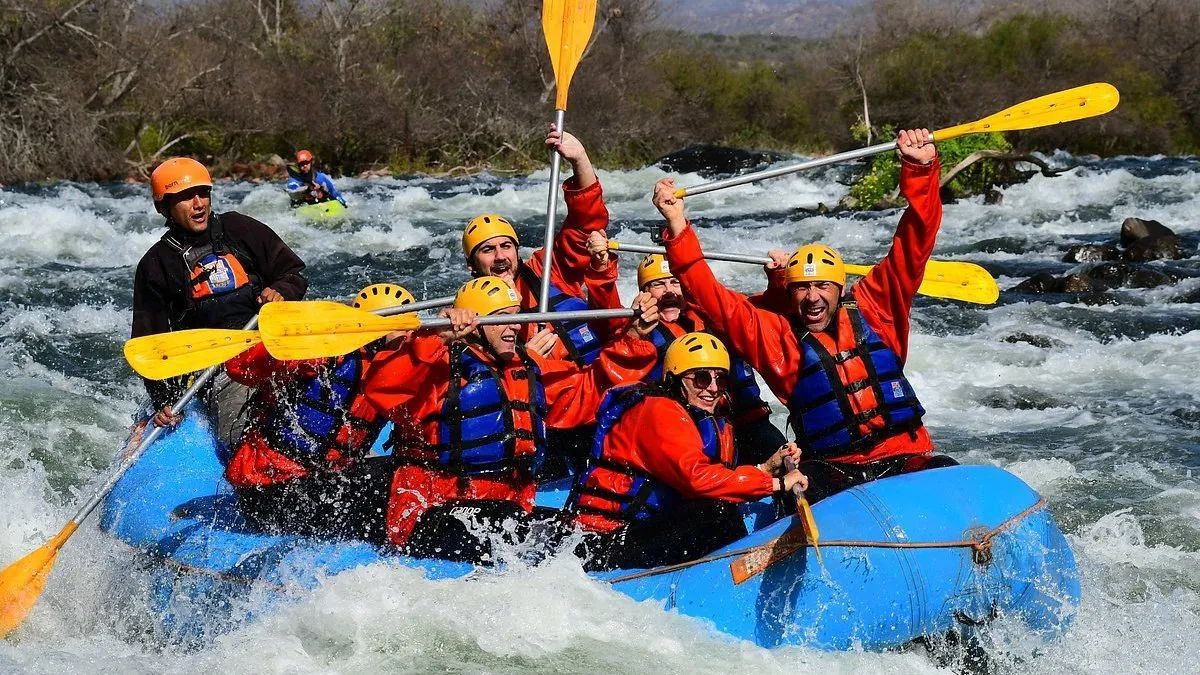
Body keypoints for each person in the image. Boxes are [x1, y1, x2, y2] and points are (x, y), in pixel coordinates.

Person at [651, 129, 958, 504]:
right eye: (801, 288)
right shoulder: (775, 337)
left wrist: (921, 170)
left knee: (947, 469)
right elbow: (711, 298)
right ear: (789, 291)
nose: (813, 298)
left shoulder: (877, 307)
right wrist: (677, 225)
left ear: (840, 288)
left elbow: (915, 241)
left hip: (906, 456)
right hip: (834, 469)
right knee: (802, 492)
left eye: (823, 286)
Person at [361, 276, 662, 562]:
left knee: (571, 531)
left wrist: (633, 338)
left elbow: (589, 390)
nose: (515, 327)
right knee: (510, 523)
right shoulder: (436, 370)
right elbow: (380, 387)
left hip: (508, 507)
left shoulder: (525, 369)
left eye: (517, 317)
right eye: (502, 318)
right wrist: (434, 338)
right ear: (475, 326)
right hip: (428, 512)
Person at [566, 333, 807, 570]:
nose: (713, 388)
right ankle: (734, 576)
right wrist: (775, 484)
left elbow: (714, 475)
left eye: (721, 379)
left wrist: (764, 469)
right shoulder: (658, 411)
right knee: (716, 512)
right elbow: (697, 478)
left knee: (719, 506)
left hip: (639, 527)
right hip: (602, 541)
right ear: (675, 380)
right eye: (702, 378)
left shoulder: (695, 414)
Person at [132, 157, 307, 445]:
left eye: (203, 193)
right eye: (186, 197)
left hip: (272, 343)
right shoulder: (156, 264)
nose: (198, 204)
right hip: (219, 369)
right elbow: (150, 344)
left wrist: (281, 290)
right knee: (239, 435)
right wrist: (164, 400)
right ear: (164, 206)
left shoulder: (240, 229)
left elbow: (293, 273)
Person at [223, 283, 415, 542]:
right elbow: (238, 367)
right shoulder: (324, 356)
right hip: (269, 487)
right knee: (381, 478)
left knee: (402, 472)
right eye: (404, 328)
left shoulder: (397, 369)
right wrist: (290, 335)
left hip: (322, 482)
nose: (411, 336)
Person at [588, 249, 788, 465]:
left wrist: (778, 277)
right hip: (688, 430)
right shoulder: (638, 332)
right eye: (658, 284)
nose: (669, 291)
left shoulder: (714, 316)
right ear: (644, 293)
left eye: (675, 282)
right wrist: (601, 268)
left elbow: (764, 314)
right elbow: (606, 315)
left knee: (786, 461)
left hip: (744, 424)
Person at [461, 126, 615, 367]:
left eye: (506, 246)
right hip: (543, 386)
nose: (500, 256)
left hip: (596, 372)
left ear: (516, 251)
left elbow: (586, 224)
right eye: (488, 250)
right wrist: (526, 360)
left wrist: (580, 160)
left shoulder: (546, 270)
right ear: (471, 266)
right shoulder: (469, 308)